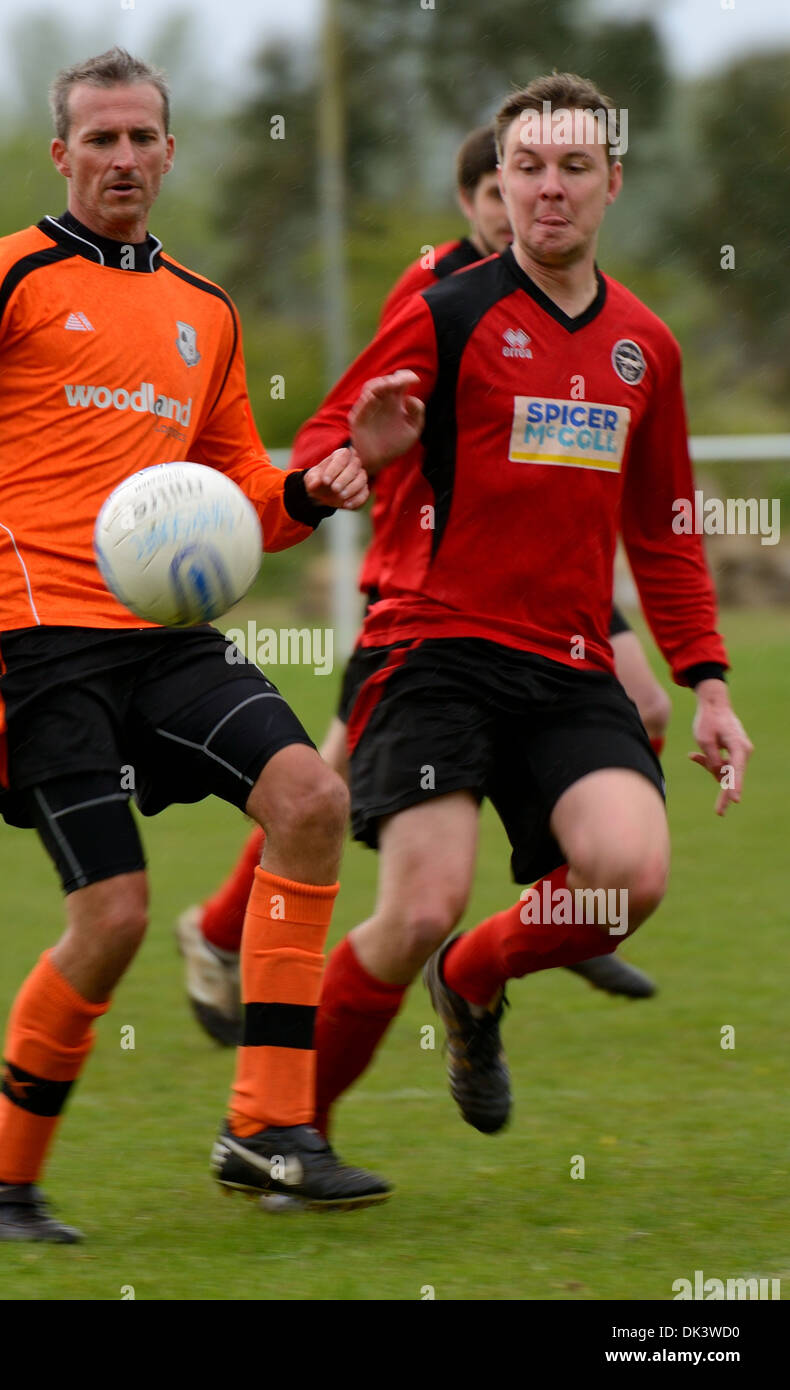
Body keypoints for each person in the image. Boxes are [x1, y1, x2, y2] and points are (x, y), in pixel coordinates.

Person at [0, 47, 391, 1237]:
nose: (122, 157)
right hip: (23, 638)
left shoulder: (204, 312)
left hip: (161, 636)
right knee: (114, 914)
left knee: (310, 799)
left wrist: (323, 486)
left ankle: (269, 1127)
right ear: (61, 153)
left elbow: (243, 501)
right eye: (101, 139)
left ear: (171, 152)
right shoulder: (11, 275)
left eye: (142, 138)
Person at [270, 72, 753, 1145]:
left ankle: (472, 978)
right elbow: (315, 444)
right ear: (499, 181)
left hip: (568, 663)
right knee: (417, 904)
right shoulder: (445, 314)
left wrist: (705, 683)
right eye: (524, 168)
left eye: (572, 168)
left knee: (625, 880)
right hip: (432, 650)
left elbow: (665, 528)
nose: (546, 190)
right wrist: (350, 459)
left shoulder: (645, 349)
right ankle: (279, 1132)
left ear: (610, 183)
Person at [178, 123, 666, 1049]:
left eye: (551, 177)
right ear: (475, 201)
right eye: (501, 187)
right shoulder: (441, 293)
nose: (519, 202)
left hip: (536, 586)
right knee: (324, 784)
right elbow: (358, 424)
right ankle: (215, 935)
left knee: (639, 705)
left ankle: (570, 906)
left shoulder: (584, 306)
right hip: (423, 591)